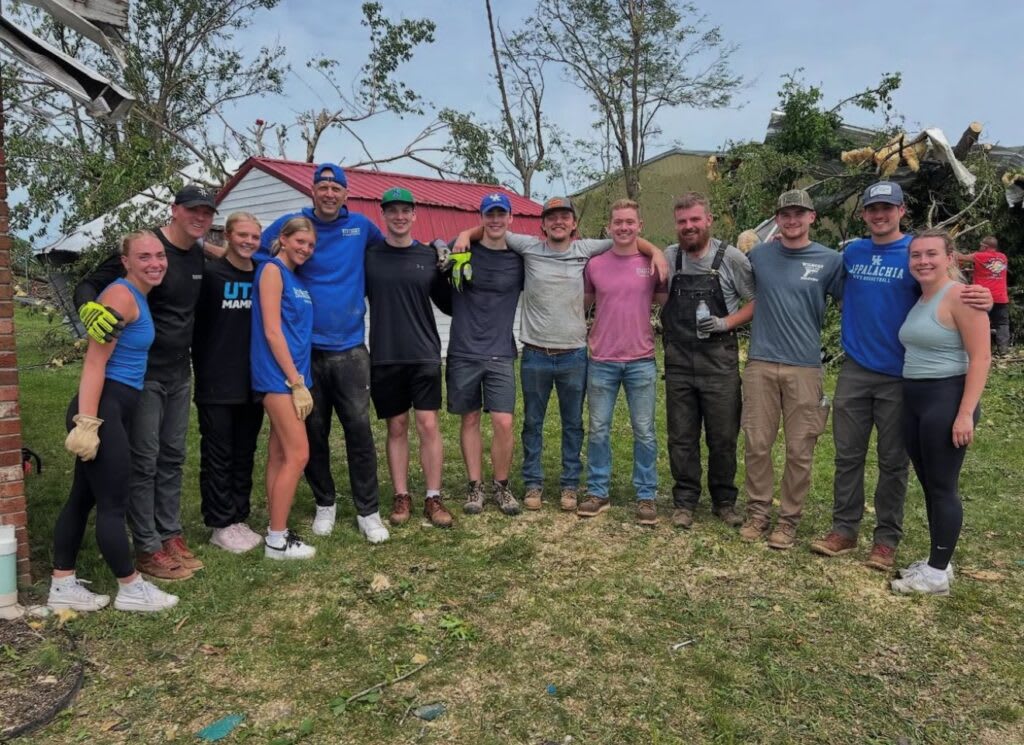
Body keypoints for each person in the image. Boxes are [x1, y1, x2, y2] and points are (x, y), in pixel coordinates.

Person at [811, 182, 994, 570]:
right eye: (872, 209)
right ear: (864, 214)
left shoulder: (916, 252)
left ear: (901, 211)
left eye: (887, 208)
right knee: (847, 455)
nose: (879, 215)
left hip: (902, 374)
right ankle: (844, 529)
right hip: (856, 368)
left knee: (893, 461)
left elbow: (948, 288)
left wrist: (984, 296)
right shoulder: (853, 252)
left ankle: (886, 540)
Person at [454, 198, 667, 511]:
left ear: (573, 223)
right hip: (535, 354)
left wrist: (656, 251)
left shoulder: (586, 249)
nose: (558, 222)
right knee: (532, 424)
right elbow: (492, 228)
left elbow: (626, 238)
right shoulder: (528, 247)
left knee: (573, 425)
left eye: (565, 217)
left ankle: (569, 485)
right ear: (542, 224)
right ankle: (533, 484)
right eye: (551, 217)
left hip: (574, 355)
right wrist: (464, 234)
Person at [74, 185, 219, 580]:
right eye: (193, 210)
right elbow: (90, 283)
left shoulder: (196, 252)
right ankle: (147, 545)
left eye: (207, 212)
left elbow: (216, 255)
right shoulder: (147, 248)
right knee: (145, 460)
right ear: (174, 210)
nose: (200, 218)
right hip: (144, 375)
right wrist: (87, 309)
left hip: (180, 371)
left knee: (172, 456)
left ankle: (170, 534)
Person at [48, 232, 179, 612]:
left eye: (159, 255)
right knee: (113, 502)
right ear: (125, 261)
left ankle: (62, 583)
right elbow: (94, 362)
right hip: (102, 408)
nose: (155, 263)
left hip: (114, 406)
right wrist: (88, 423)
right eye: (144, 256)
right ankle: (131, 588)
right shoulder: (121, 296)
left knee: (83, 496)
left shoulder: (137, 295)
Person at [259, 164, 389, 544]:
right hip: (307, 352)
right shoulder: (293, 225)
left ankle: (368, 511)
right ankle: (325, 502)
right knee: (314, 431)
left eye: (336, 188)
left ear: (346, 194)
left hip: (351, 350)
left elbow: (391, 249)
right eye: (323, 187)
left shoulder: (361, 227)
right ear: (312, 191)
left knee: (359, 431)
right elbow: (253, 252)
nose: (329, 193)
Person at [740, 189, 843, 550]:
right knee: (757, 443)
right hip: (761, 363)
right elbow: (738, 286)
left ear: (812, 217)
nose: (792, 220)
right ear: (777, 220)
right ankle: (757, 513)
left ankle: (788, 520)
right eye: (786, 215)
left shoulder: (830, 260)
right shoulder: (759, 256)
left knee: (800, 449)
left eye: (800, 214)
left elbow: (851, 303)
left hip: (805, 366)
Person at [892, 229, 991, 595]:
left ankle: (935, 576)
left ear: (950, 257)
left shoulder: (962, 296)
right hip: (916, 398)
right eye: (916, 255)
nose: (923, 261)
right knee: (929, 483)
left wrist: (965, 413)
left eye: (931, 254)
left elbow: (981, 358)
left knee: (943, 487)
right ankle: (940, 562)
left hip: (945, 398)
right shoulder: (923, 298)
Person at [661, 192, 755, 530]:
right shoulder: (670, 257)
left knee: (723, 436)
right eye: (682, 221)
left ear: (709, 220)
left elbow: (756, 301)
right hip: (679, 362)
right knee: (681, 435)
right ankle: (685, 501)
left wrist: (725, 323)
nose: (688, 226)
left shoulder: (731, 258)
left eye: (695, 220)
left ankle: (724, 500)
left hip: (719, 362)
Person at [365, 188, 453, 528]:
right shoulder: (370, 257)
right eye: (393, 211)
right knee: (397, 426)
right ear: (384, 215)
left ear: (414, 215)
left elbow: (450, 304)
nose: (399, 216)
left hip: (424, 353)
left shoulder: (430, 255)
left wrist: (450, 270)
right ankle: (401, 495)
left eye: (405, 211)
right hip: (385, 355)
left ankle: (433, 496)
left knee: (428, 424)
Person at [576, 200, 668, 524]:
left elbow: (665, 302)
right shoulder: (595, 265)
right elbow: (583, 304)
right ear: (609, 227)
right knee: (598, 429)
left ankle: (646, 495)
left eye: (630, 222)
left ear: (640, 225)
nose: (624, 227)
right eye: (618, 222)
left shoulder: (652, 264)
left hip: (641, 360)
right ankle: (597, 491)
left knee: (644, 431)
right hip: (601, 359)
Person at [446, 193, 524, 516]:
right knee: (470, 418)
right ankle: (475, 486)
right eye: (489, 214)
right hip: (463, 349)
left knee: (504, 421)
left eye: (500, 214)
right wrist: (465, 234)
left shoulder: (519, 257)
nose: (495, 220)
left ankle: (502, 486)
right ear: (481, 217)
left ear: (510, 218)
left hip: (500, 351)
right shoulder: (461, 249)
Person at [193, 213, 264, 553]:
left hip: (253, 378)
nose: (248, 242)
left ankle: (238, 516)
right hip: (217, 379)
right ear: (228, 236)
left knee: (244, 451)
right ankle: (220, 523)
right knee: (218, 453)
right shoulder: (211, 276)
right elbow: (197, 325)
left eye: (255, 236)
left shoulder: (263, 274)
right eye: (242, 235)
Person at [251, 217, 317, 560]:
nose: (305, 248)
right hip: (279, 378)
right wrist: (295, 381)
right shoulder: (272, 271)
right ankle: (277, 541)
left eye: (310, 245)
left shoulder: (295, 276)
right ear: (284, 239)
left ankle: (277, 529)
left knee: (279, 454)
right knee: (299, 453)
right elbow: (272, 330)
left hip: (294, 376)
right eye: (300, 241)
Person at [958, 236, 1010, 356]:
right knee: (1002, 323)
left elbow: (960, 257)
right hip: (1000, 297)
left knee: (977, 323)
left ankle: (977, 350)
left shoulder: (979, 256)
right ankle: (1003, 351)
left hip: (982, 297)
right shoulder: (1003, 257)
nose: (979, 247)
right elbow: (992, 270)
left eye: (981, 245)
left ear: (985, 247)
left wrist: (947, 248)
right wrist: (974, 271)